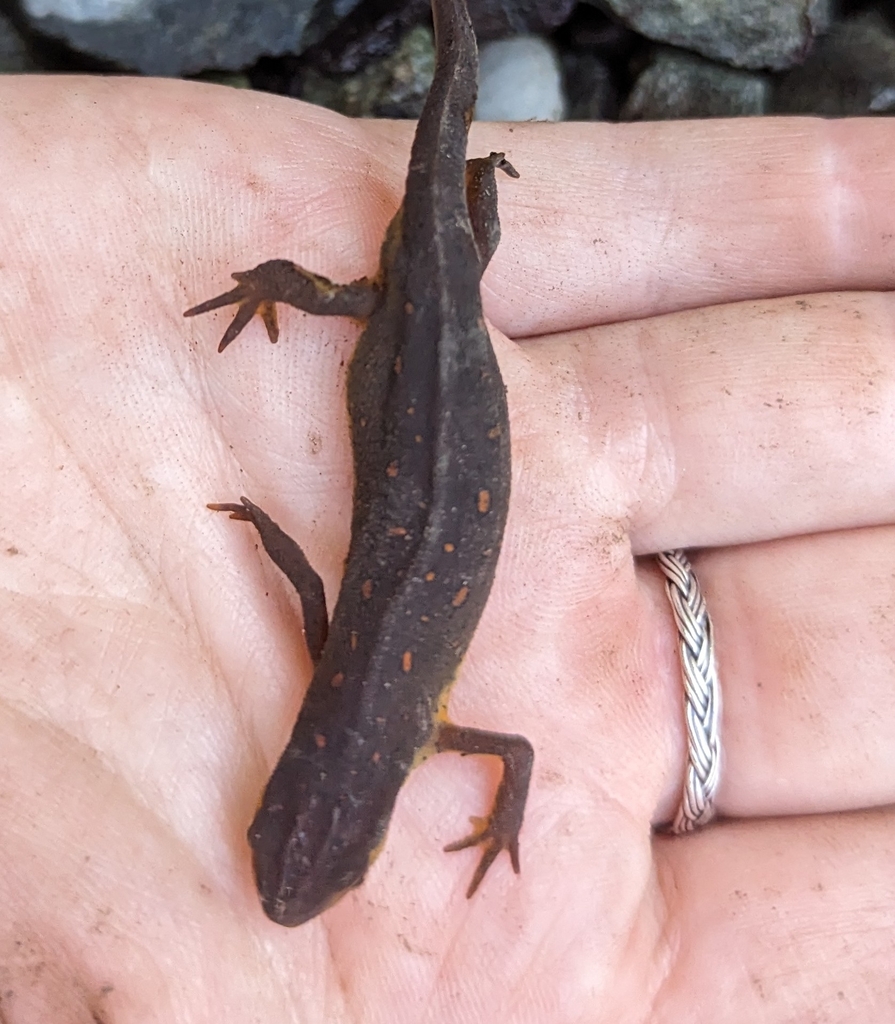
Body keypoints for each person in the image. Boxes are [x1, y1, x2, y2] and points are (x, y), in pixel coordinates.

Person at [1, 75, 892, 1021]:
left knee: (436, 271)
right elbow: (317, 602)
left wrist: (266, 527)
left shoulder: (405, 723)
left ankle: (471, 176)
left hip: (433, 461)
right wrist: (262, 530)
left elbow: (502, 743)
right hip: (438, 454)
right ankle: (469, 178)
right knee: (437, 276)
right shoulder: (339, 682)